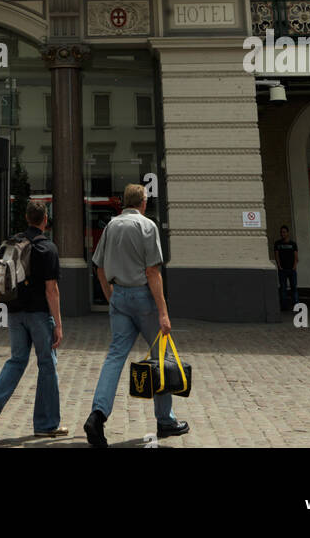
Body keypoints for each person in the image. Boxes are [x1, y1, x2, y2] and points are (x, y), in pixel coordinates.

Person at [84, 183, 188, 447]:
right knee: (161, 356)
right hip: (143, 298)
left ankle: (97, 416)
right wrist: (163, 313)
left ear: (122, 203)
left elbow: (98, 268)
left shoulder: (110, 226)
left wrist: (112, 298)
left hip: (119, 295)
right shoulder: (147, 226)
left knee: (115, 356)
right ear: (143, 202)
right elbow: (153, 273)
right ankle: (165, 421)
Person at [0, 201, 65, 439]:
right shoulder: (47, 248)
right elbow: (52, 290)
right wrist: (58, 324)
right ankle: (46, 424)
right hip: (39, 314)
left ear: (27, 218)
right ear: (44, 220)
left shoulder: (12, 243)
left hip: (15, 312)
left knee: (17, 360)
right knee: (47, 365)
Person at [272, 225, 298, 308]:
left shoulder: (292, 244)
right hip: (282, 269)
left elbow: (296, 256)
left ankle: (296, 304)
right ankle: (284, 305)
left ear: (287, 233)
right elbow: (277, 255)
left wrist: (294, 266)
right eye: (281, 232)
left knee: (294, 287)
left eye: (284, 232)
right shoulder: (277, 244)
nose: (282, 234)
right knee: (283, 288)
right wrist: (279, 266)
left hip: (291, 269)